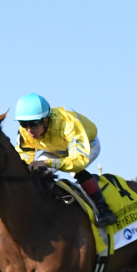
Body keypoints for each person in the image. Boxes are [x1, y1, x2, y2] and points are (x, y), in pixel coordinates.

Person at [13, 93, 117, 227]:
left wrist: (47, 162)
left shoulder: (67, 124)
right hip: (56, 149)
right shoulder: (25, 131)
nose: (29, 130)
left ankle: (105, 210)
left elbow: (77, 161)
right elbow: (24, 161)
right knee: (34, 171)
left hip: (87, 145)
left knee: (75, 171)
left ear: (45, 120)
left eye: (33, 124)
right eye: (23, 124)